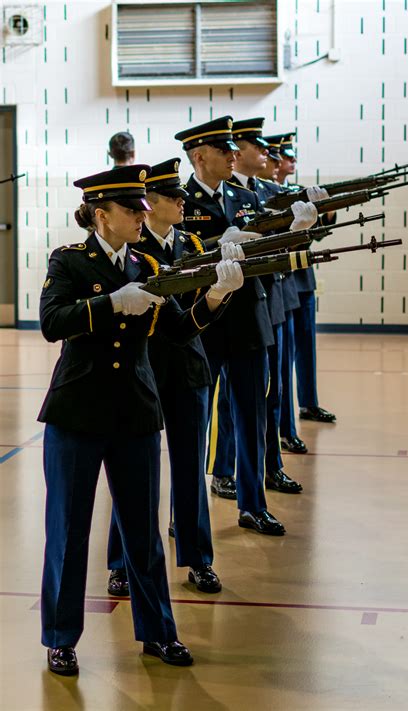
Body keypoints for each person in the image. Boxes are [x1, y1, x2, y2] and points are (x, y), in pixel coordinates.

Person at [38, 164, 243, 675]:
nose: (141, 217)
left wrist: (215, 298)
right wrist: (111, 303)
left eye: (142, 209)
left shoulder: (148, 262)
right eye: (131, 210)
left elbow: (177, 330)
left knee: (142, 533)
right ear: (101, 215)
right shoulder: (68, 261)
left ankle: (158, 633)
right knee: (68, 530)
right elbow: (51, 322)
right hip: (77, 412)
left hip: (134, 411)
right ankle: (61, 637)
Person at [106, 157, 238, 596]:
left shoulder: (195, 247)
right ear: (153, 203)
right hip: (140, 372)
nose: (183, 203)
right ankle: (122, 561)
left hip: (186, 369)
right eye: (173, 197)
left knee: (188, 466)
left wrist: (221, 293)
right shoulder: (133, 253)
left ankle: (198, 558)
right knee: (132, 472)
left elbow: (196, 319)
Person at [175, 115, 286, 535]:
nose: (233, 156)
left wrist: (292, 231)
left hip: (248, 318)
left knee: (252, 416)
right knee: (195, 422)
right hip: (204, 321)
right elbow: (178, 256)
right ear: (200, 156)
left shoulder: (243, 196)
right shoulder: (179, 200)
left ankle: (252, 504)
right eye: (224, 151)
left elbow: (261, 247)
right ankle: (185, 512)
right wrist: (216, 245)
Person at [231, 117, 305, 490]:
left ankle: (269, 466)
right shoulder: (229, 194)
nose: (265, 152)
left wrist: (298, 228)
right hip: (233, 308)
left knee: (270, 392)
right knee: (234, 406)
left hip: (269, 297)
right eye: (255, 146)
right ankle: (228, 472)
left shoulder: (255, 191)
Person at [274, 133, 337, 425]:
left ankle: (308, 402)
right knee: (284, 356)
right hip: (281, 280)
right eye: (285, 156)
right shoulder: (265, 195)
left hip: (302, 276)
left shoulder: (298, 192)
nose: (290, 161)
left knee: (306, 346)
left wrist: (326, 215)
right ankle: (286, 419)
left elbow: (317, 234)